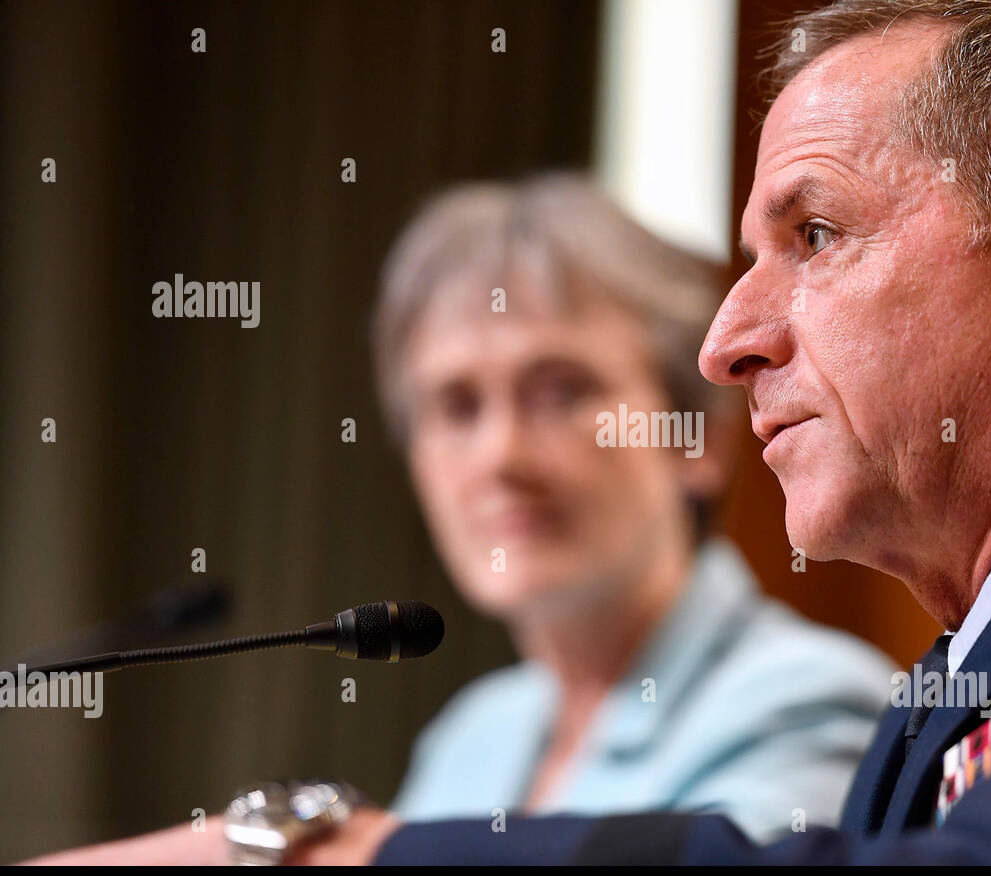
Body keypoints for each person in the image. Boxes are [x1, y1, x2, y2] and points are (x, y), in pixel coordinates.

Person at [22, 0, 991, 866]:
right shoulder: (966, 667)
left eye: (814, 235)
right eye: (452, 405)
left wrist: (343, 855)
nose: (726, 342)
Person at [364, 174, 896, 842]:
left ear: (697, 435)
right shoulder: (471, 736)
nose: (501, 456)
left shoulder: (812, 704)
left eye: (562, 392)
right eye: (457, 406)